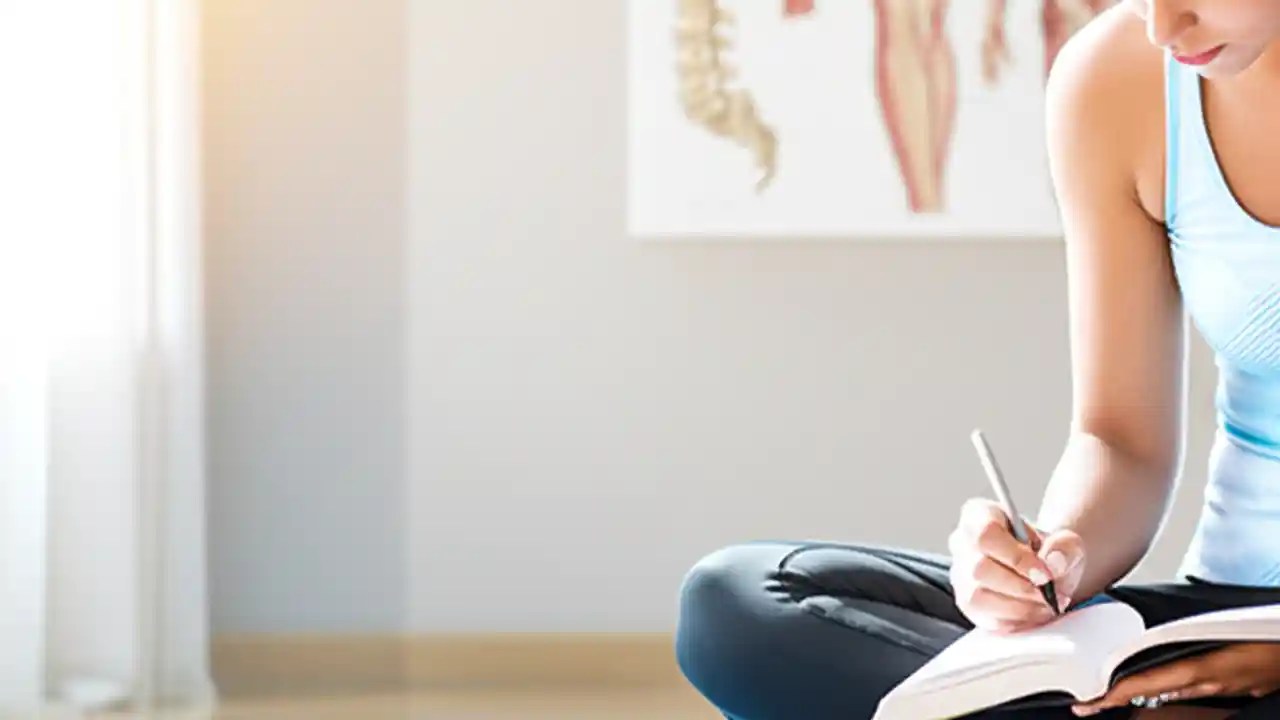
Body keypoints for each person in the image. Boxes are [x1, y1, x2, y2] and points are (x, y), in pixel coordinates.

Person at [674, 1, 1280, 718]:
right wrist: (1051, 563)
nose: (1160, 26)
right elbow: (1122, 443)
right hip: (1216, 622)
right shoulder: (1119, 81)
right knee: (740, 604)